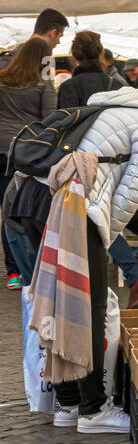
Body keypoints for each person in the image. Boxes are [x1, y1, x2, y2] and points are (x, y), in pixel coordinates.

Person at [50, 86, 138, 432]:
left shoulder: (117, 110)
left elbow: (133, 203)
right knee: (90, 311)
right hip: (81, 213)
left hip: (58, 202)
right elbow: (131, 202)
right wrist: (107, 239)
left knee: (66, 309)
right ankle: (93, 410)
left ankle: (68, 404)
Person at [55, 31, 138, 308]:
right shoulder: (113, 83)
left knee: (93, 226)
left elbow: (64, 129)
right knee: (106, 224)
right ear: (100, 55)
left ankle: (88, 290)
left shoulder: (68, 88)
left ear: (73, 57)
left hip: (82, 163)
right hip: (115, 160)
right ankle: (133, 279)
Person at [0, 37, 56, 288]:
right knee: (26, 210)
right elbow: (50, 123)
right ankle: (30, 268)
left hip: (1, 151)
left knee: (6, 210)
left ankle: (13, 272)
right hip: (27, 154)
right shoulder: (44, 85)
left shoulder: (2, 79)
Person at [0, 8, 67, 70]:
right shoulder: (38, 63)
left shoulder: (11, 58)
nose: (58, 42)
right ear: (53, 33)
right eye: (59, 37)